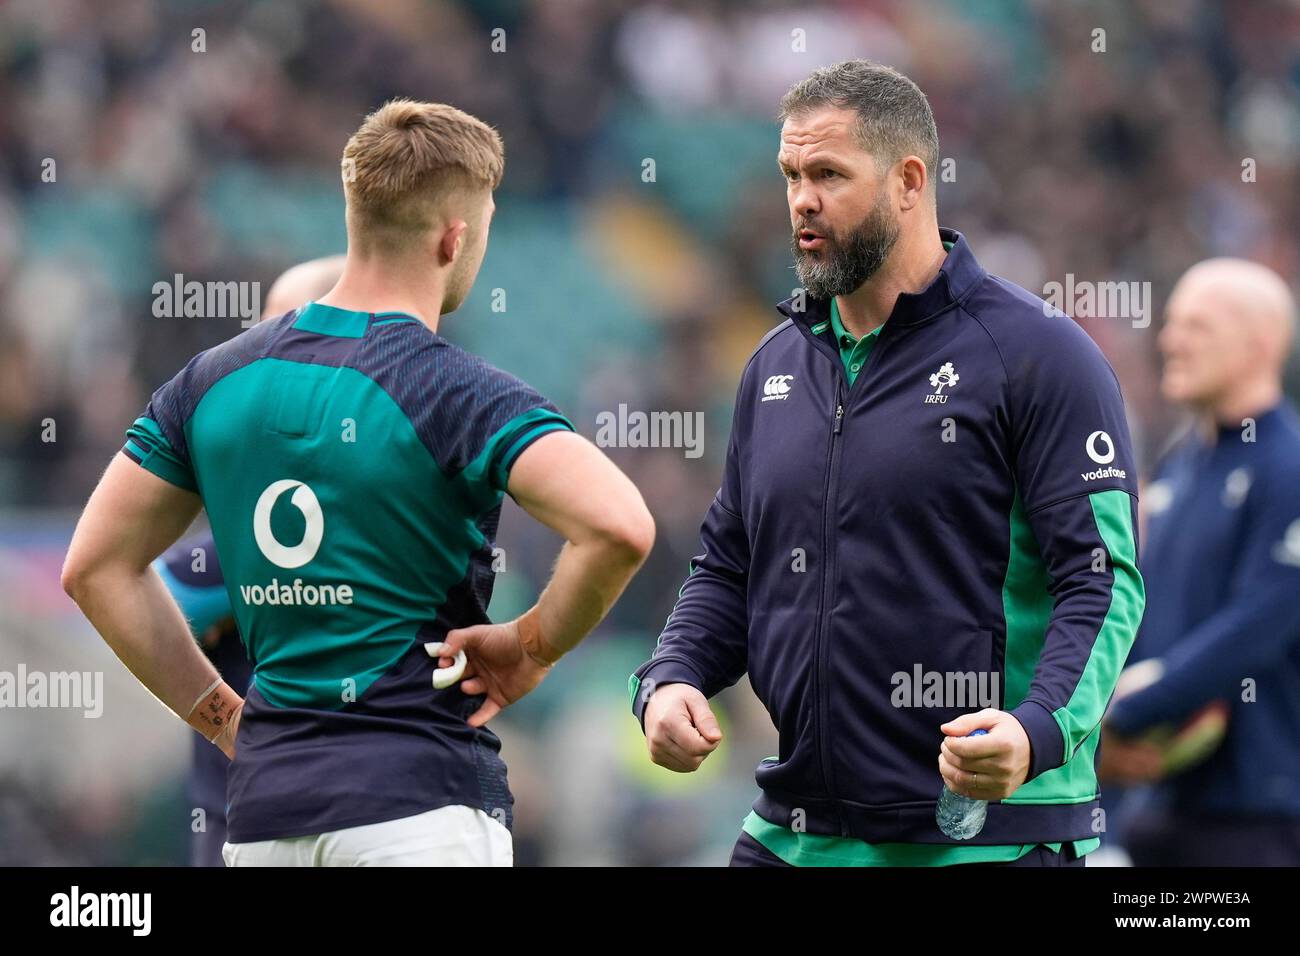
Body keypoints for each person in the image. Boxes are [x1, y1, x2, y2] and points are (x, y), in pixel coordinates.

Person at [62, 99, 654, 866]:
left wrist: (221, 718)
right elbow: (620, 527)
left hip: (265, 824)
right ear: (456, 237)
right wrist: (529, 648)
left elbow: (94, 567)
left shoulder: (209, 382)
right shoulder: (460, 392)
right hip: (420, 810)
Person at [629, 59, 1145, 867]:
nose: (801, 198)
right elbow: (731, 566)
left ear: (909, 180)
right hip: (796, 830)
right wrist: (672, 678)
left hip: (984, 835)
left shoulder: (1041, 356)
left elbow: (1102, 578)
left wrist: (1037, 729)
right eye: (791, 174)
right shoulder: (773, 368)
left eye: (829, 173)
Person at [1101, 258, 1300, 866]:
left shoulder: (1288, 469)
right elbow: (1141, 613)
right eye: (1171, 323)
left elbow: (1255, 628)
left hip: (1254, 816)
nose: (1170, 340)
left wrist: (1118, 717)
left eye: (1197, 326)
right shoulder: (1180, 463)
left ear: (1259, 344)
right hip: (1157, 807)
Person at [161, 255, 346, 867]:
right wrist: (226, 722)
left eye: (282, 331)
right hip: (241, 818)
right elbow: (166, 595)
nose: (258, 356)